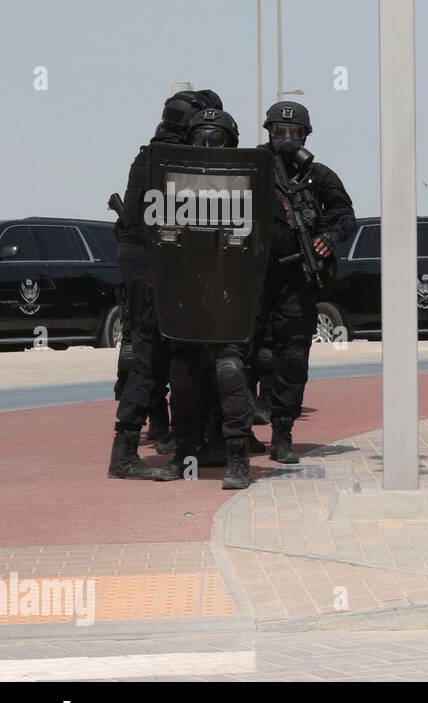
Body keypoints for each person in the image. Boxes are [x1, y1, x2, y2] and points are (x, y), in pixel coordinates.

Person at [108, 89, 221, 480]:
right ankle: (125, 453)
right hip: (154, 267)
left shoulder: (151, 154)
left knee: (157, 354)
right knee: (151, 355)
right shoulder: (171, 159)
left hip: (147, 263)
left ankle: (170, 441)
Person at [151, 108, 259, 489]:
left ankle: (237, 459)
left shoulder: (246, 178)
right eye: (202, 137)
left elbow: (262, 237)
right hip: (185, 292)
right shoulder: (170, 178)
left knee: (229, 372)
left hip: (229, 292)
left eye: (217, 138)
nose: (209, 146)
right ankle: (185, 456)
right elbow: (153, 230)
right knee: (182, 376)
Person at [257, 101, 356, 463]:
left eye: (294, 133)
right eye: (279, 132)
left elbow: (345, 215)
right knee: (244, 356)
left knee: (292, 358)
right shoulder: (252, 168)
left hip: (297, 279)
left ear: (305, 136)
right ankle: (235, 437)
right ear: (268, 132)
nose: (285, 139)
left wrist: (330, 237)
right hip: (253, 279)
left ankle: (283, 432)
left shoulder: (318, 176)